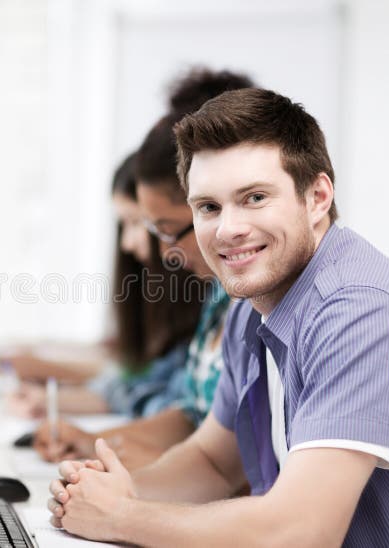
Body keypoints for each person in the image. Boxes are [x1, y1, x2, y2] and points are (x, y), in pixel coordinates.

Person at [45, 88, 389, 546]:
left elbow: (302, 532)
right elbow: (212, 462)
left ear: (317, 197)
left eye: (254, 198)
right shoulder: (251, 307)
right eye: (208, 207)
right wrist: (108, 493)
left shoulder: (362, 311)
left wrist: (122, 517)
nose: (228, 229)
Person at [33, 68, 254, 467]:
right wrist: (97, 446)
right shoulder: (223, 295)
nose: (162, 251)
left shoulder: (270, 302)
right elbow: (194, 420)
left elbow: (232, 465)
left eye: (161, 229)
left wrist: (120, 467)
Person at [5, 152, 203, 419]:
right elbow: (137, 377)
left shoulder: (209, 303)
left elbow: (168, 403)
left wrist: (52, 386)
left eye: (136, 222)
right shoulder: (177, 306)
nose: (127, 244)